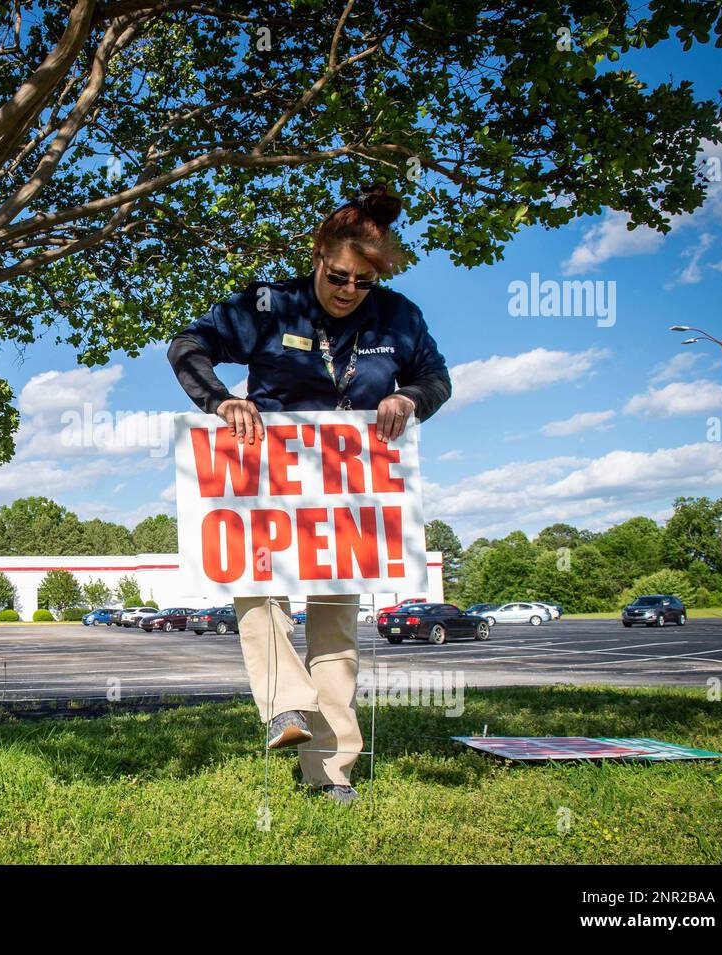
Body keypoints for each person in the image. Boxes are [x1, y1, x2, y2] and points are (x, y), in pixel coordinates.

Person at [166, 183, 452, 804]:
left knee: (335, 634)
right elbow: (187, 346)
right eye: (340, 276)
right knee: (256, 591)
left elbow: (436, 377)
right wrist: (222, 401)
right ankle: (286, 708)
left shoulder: (400, 316)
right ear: (318, 255)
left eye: (363, 284)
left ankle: (329, 773)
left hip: (348, 491)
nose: (349, 291)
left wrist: (410, 398)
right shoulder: (270, 304)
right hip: (265, 483)